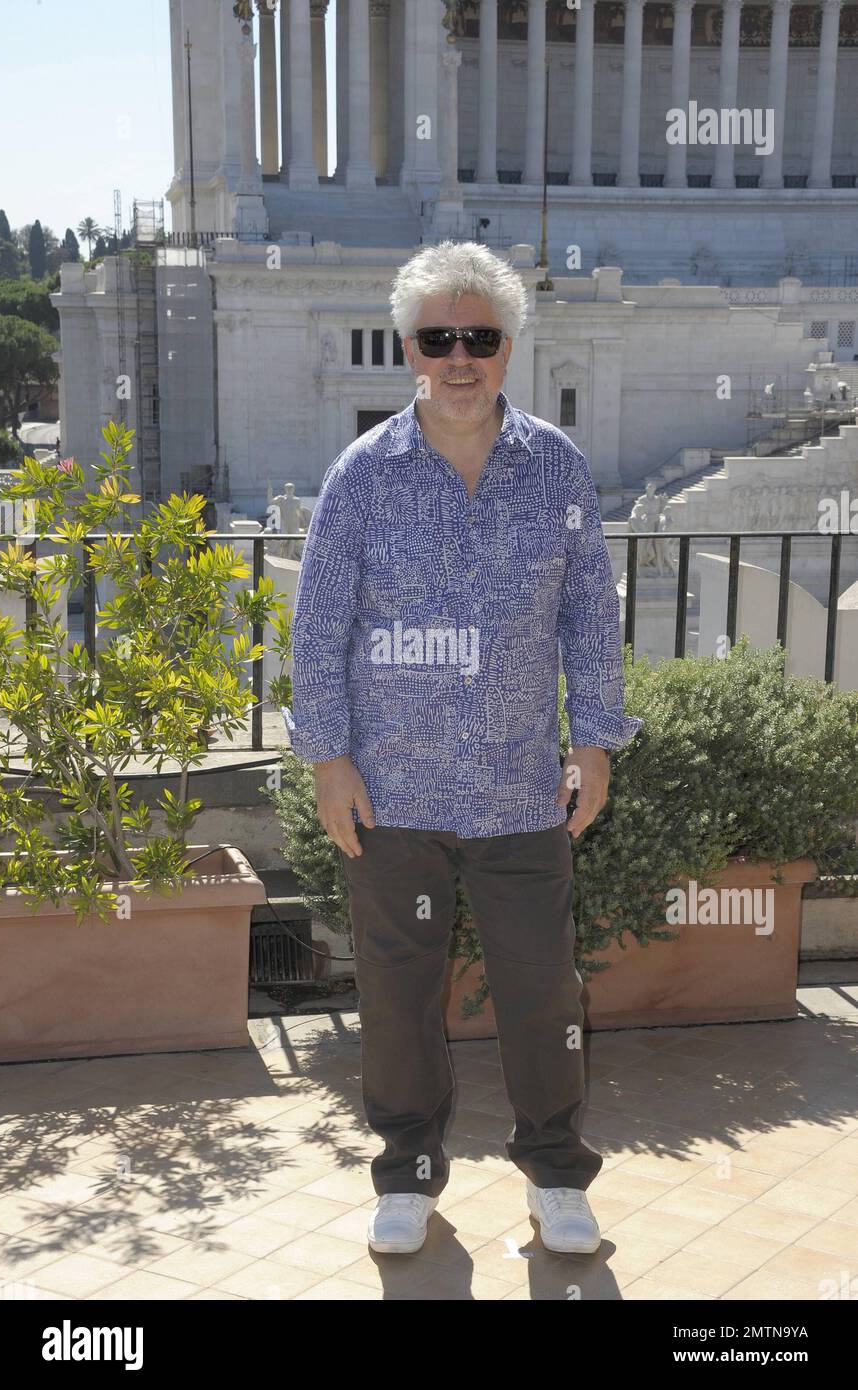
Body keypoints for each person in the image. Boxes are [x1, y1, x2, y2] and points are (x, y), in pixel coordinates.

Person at [283, 241, 642, 1257]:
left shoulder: (556, 469)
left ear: (507, 347)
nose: (457, 357)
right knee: (397, 1002)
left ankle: (555, 1174)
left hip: (525, 789)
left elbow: (587, 612)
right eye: (437, 337)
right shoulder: (360, 477)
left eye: (477, 337)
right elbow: (318, 628)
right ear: (408, 347)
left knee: (542, 995)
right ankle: (405, 1176)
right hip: (392, 794)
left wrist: (595, 740)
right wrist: (329, 759)